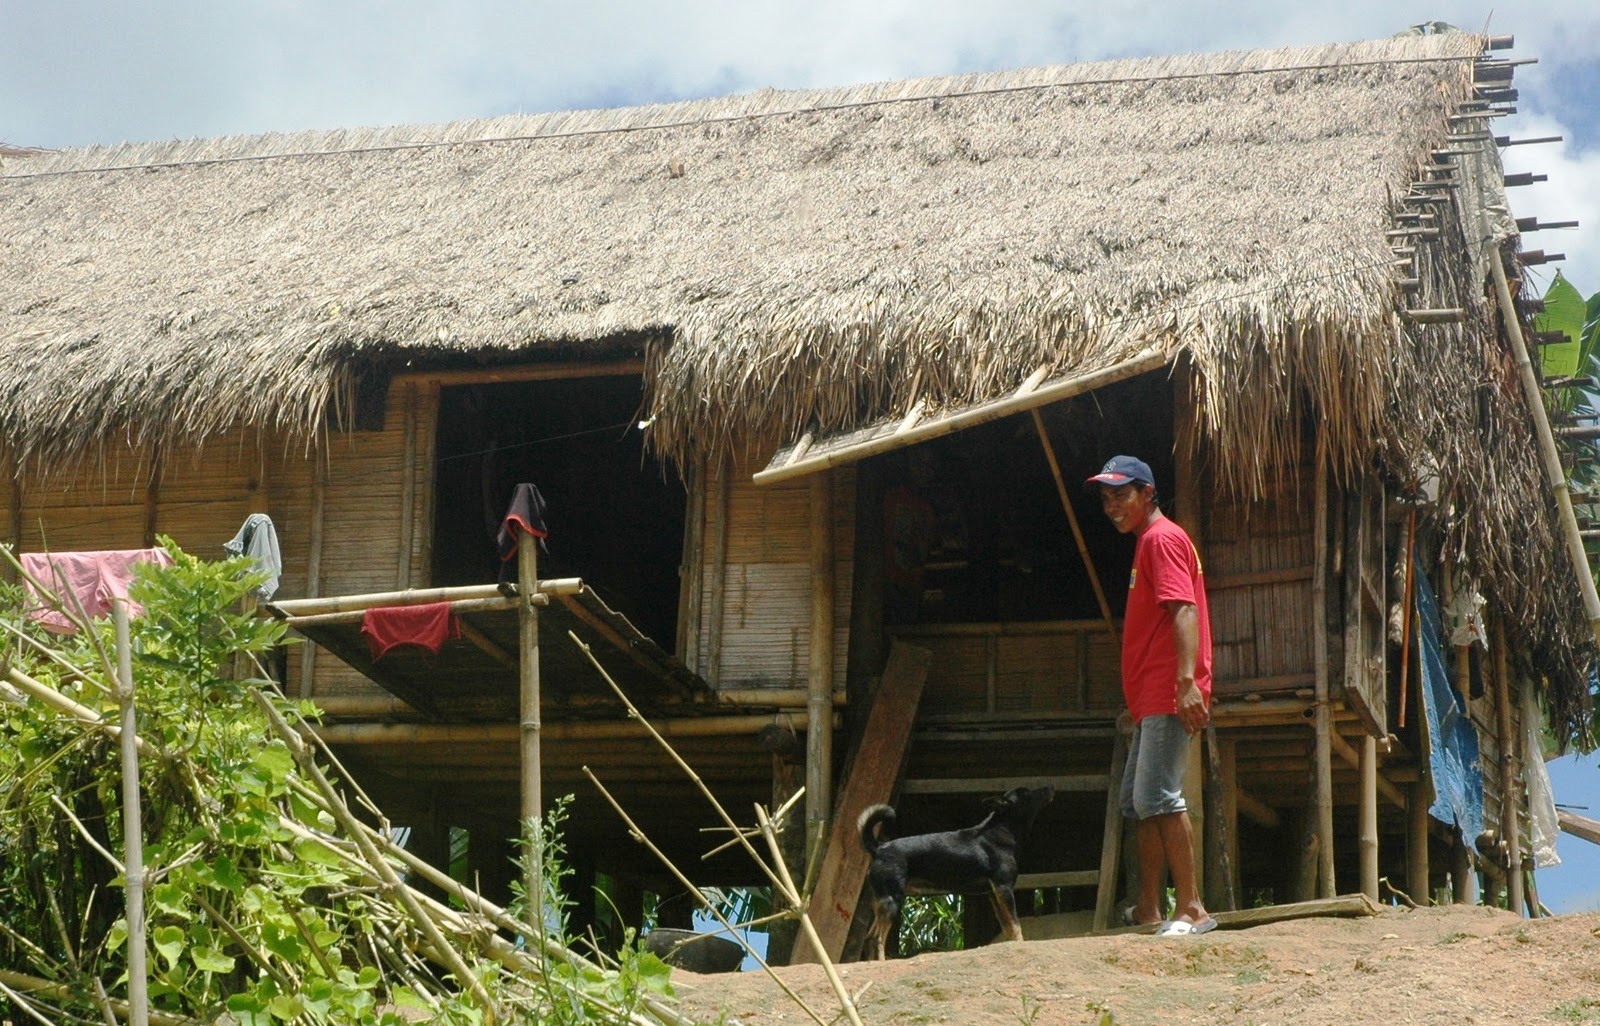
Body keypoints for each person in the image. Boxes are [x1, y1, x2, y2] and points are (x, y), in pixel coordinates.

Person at [1087, 454, 1215, 936]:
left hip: (1168, 691)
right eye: (1106, 498)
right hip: (1152, 695)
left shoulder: (1161, 539)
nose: (1112, 505)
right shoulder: (1150, 542)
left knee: (1159, 796)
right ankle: (1148, 908)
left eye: (1121, 495)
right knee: (1137, 801)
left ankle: (1193, 909)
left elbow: (1184, 610)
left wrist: (1185, 684)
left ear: (1147, 494)